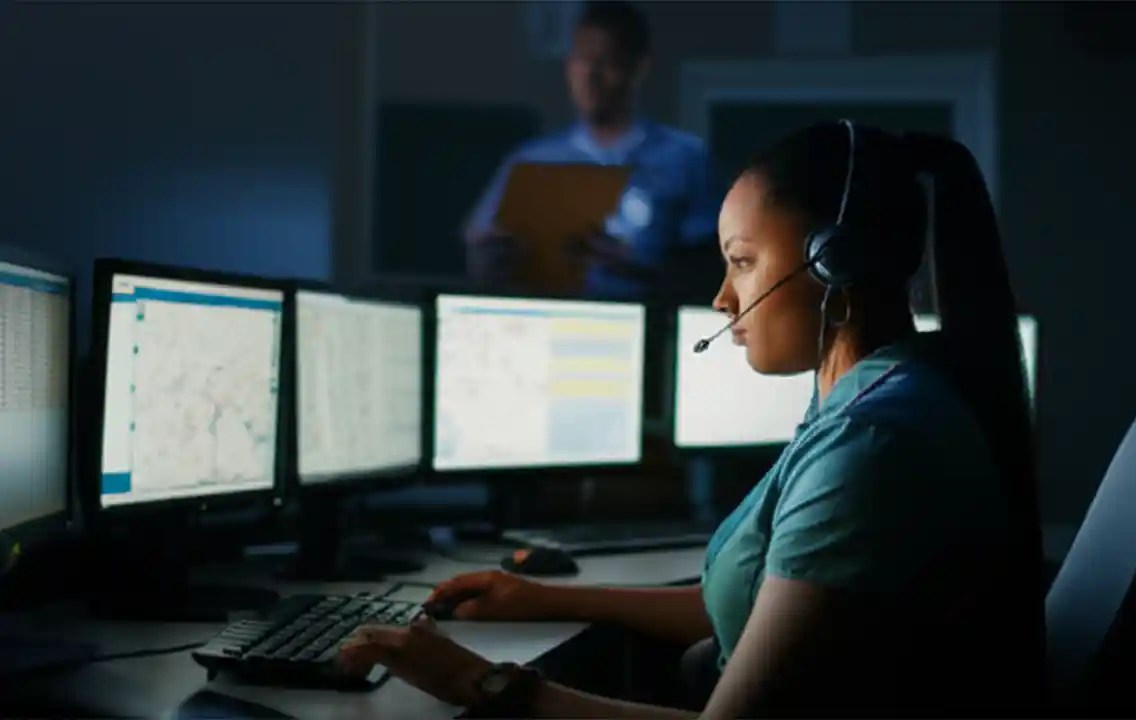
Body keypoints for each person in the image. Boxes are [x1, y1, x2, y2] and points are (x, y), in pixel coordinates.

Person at [341, 121, 1045, 717]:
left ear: (833, 261)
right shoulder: (872, 399)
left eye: (741, 262)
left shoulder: (873, 442)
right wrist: (541, 595)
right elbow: (755, 605)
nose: (720, 297)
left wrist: (478, 681)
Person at [462, 0, 723, 302]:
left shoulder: (683, 158)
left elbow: (714, 271)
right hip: (544, 325)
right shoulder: (531, 161)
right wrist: (487, 259)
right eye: (581, 59)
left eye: (605, 60)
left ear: (636, 68)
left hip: (645, 325)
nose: (590, 75)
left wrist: (637, 268)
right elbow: (479, 260)